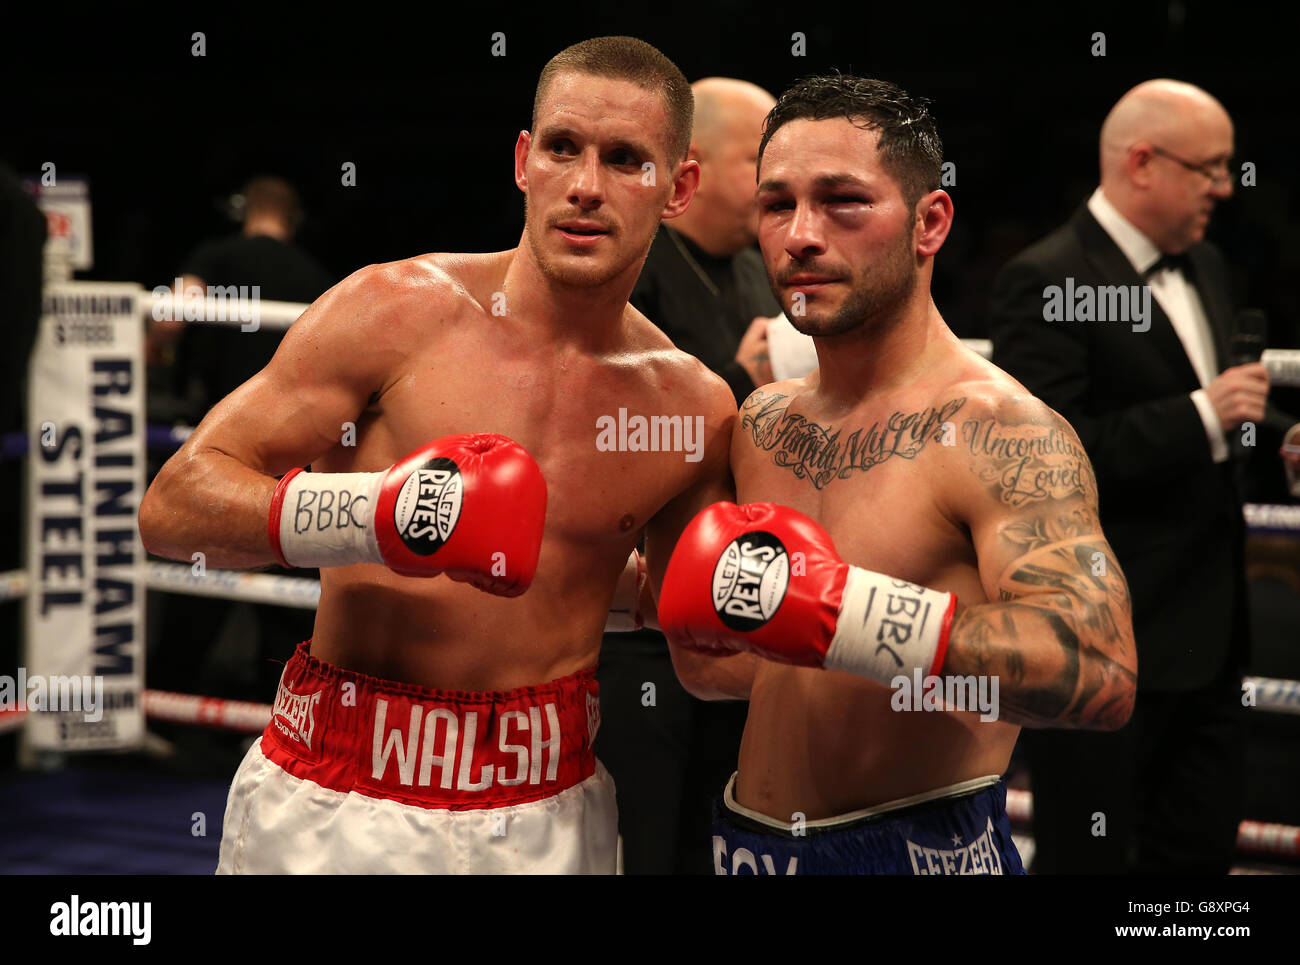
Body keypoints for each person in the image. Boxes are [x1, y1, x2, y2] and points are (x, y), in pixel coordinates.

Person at [138, 35, 735, 875]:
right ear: (525, 161)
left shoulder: (692, 408)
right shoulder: (395, 311)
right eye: (563, 147)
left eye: (627, 159)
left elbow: (709, 658)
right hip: (338, 799)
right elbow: (172, 507)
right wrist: (380, 515)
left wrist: (812, 608)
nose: (586, 186)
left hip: (546, 813)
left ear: (679, 188)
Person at [656, 73, 1137, 875]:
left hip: (919, 851)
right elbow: (733, 667)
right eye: (777, 204)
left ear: (930, 222)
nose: (801, 235)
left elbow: (1100, 667)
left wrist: (846, 612)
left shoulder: (997, 428)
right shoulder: (763, 422)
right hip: (746, 847)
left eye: (843, 200)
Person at [989, 79, 1297, 873]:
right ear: (1142, 162)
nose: (1228, 188)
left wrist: (1277, 442)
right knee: (1085, 859)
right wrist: (1203, 414)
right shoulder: (1049, 276)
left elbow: (1224, 425)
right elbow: (1047, 458)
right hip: (1102, 640)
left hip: (1214, 638)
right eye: (1212, 168)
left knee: (1195, 864)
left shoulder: (1212, 267)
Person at [597, 76, 779, 875]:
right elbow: (609, 434)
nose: (774, 188)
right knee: (642, 836)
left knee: (718, 834)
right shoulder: (625, 273)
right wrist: (738, 384)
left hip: (735, 603)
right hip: (637, 615)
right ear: (693, 169)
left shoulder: (753, 269)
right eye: (758, 164)